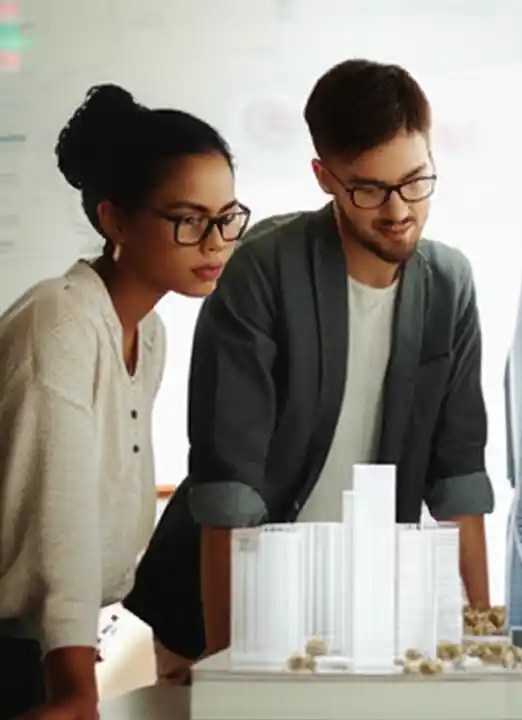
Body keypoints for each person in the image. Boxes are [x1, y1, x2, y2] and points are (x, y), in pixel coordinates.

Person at [123, 59, 495, 681]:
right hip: (224, 603)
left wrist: (487, 640)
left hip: (359, 610)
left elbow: (458, 476)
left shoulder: (448, 284)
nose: (398, 210)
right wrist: (227, 667)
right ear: (325, 177)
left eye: (415, 181)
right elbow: (228, 487)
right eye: (369, 189)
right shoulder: (263, 269)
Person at [0, 85, 244, 720]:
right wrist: (74, 685)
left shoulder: (148, 332)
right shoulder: (61, 321)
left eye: (227, 216)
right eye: (188, 219)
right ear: (114, 221)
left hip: (45, 647)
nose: (215, 240)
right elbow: (63, 517)